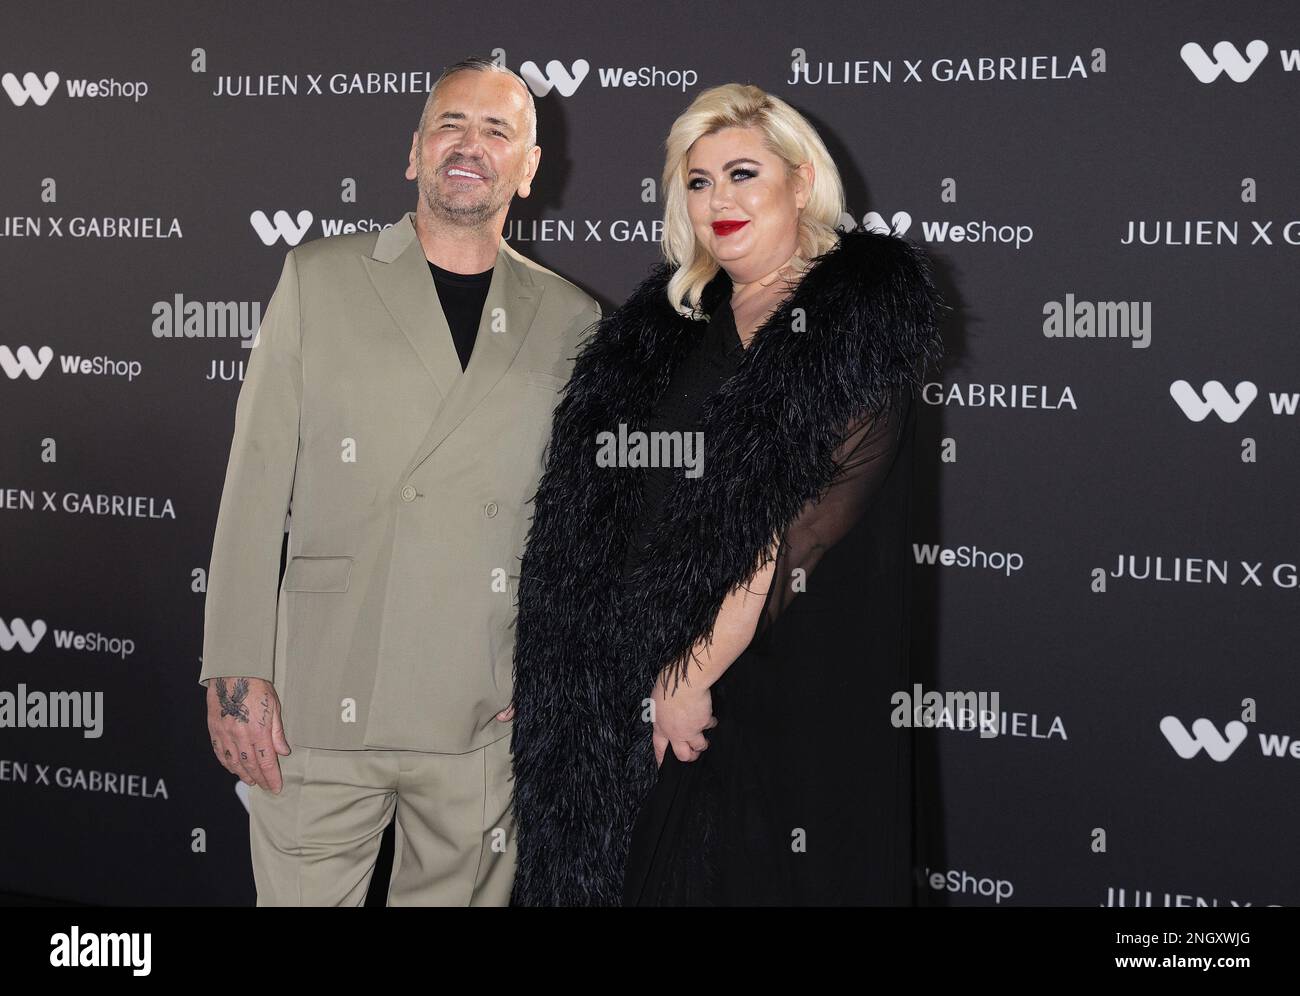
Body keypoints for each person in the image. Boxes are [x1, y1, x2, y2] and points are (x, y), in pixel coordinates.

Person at [509, 83, 944, 906]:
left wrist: (692, 672)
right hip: (652, 673)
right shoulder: (669, 325)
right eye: (698, 182)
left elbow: (791, 530)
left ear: (801, 182)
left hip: (786, 676)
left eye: (743, 173)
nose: (719, 201)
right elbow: (601, 513)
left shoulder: (858, 317)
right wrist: (563, 665)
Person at [200, 56, 601, 906]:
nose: (471, 144)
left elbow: (578, 525)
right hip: (317, 692)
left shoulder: (572, 319)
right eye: (451, 124)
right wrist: (236, 671)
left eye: (499, 131)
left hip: (482, 709)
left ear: (529, 170)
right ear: (415, 152)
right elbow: (255, 482)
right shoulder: (318, 278)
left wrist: (550, 673)